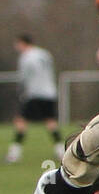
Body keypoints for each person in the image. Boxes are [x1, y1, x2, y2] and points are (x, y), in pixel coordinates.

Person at [7, 34, 63, 164]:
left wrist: (21, 90)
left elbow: (24, 76)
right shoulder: (45, 54)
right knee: (51, 121)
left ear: (22, 43)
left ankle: (14, 153)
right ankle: (60, 150)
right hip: (50, 92)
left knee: (21, 121)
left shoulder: (26, 57)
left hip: (34, 93)